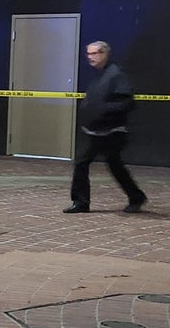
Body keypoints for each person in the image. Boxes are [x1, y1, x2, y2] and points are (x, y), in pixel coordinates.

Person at [63, 41, 147, 214]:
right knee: (113, 165)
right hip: (97, 129)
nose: (90, 57)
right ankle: (136, 196)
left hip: (111, 131)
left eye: (94, 53)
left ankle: (81, 202)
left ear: (105, 53)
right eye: (88, 54)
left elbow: (127, 102)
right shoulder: (101, 75)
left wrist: (103, 110)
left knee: (85, 162)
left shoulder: (116, 74)